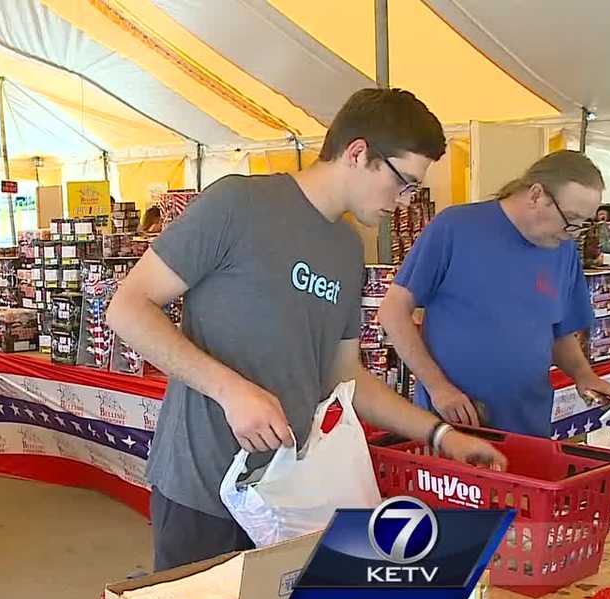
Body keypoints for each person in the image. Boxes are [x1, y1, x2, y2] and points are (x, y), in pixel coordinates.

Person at [107, 88, 507, 572]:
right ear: (359, 153)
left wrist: (441, 434)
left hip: (289, 497)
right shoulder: (237, 204)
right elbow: (128, 307)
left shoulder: (345, 248)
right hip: (203, 488)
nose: (403, 204)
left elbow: (343, 376)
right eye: (403, 184)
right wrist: (231, 391)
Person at [378, 150, 610, 438]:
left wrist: (584, 375)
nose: (574, 232)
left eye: (583, 223)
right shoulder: (454, 228)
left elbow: (558, 331)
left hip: (529, 430)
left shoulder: (563, 249)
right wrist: (438, 387)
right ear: (536, 195)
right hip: (455, 427)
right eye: (569, 219)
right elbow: (392, 312)